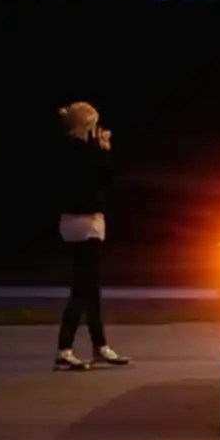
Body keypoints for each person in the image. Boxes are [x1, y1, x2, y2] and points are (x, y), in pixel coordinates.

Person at [54, 101, 130, 371]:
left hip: (76, 221)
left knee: (91, 288)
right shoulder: (84, 152)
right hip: (85, 222)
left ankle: (100, 345)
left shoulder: (69, 151)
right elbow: (105, 176)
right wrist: (105, 150)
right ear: (87, 125)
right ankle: (65, 346)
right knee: (83, 288)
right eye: (95, 124)